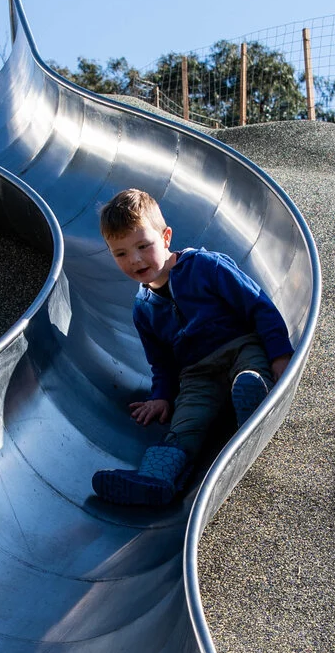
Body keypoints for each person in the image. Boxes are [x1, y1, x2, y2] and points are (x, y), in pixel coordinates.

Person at [91, 188, 293, 506]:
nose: (135, 260)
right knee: (185, 424)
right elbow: (161, 363)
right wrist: (161, 396)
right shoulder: (142, 308)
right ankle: (156, 479)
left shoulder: (206, 267)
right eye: (121, 253)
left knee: (249, 371)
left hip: (239, 345)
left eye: (143, 246)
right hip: (197, 375)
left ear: (166, 237)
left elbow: (258, 305)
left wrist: (280, 354)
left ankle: (256, 395)